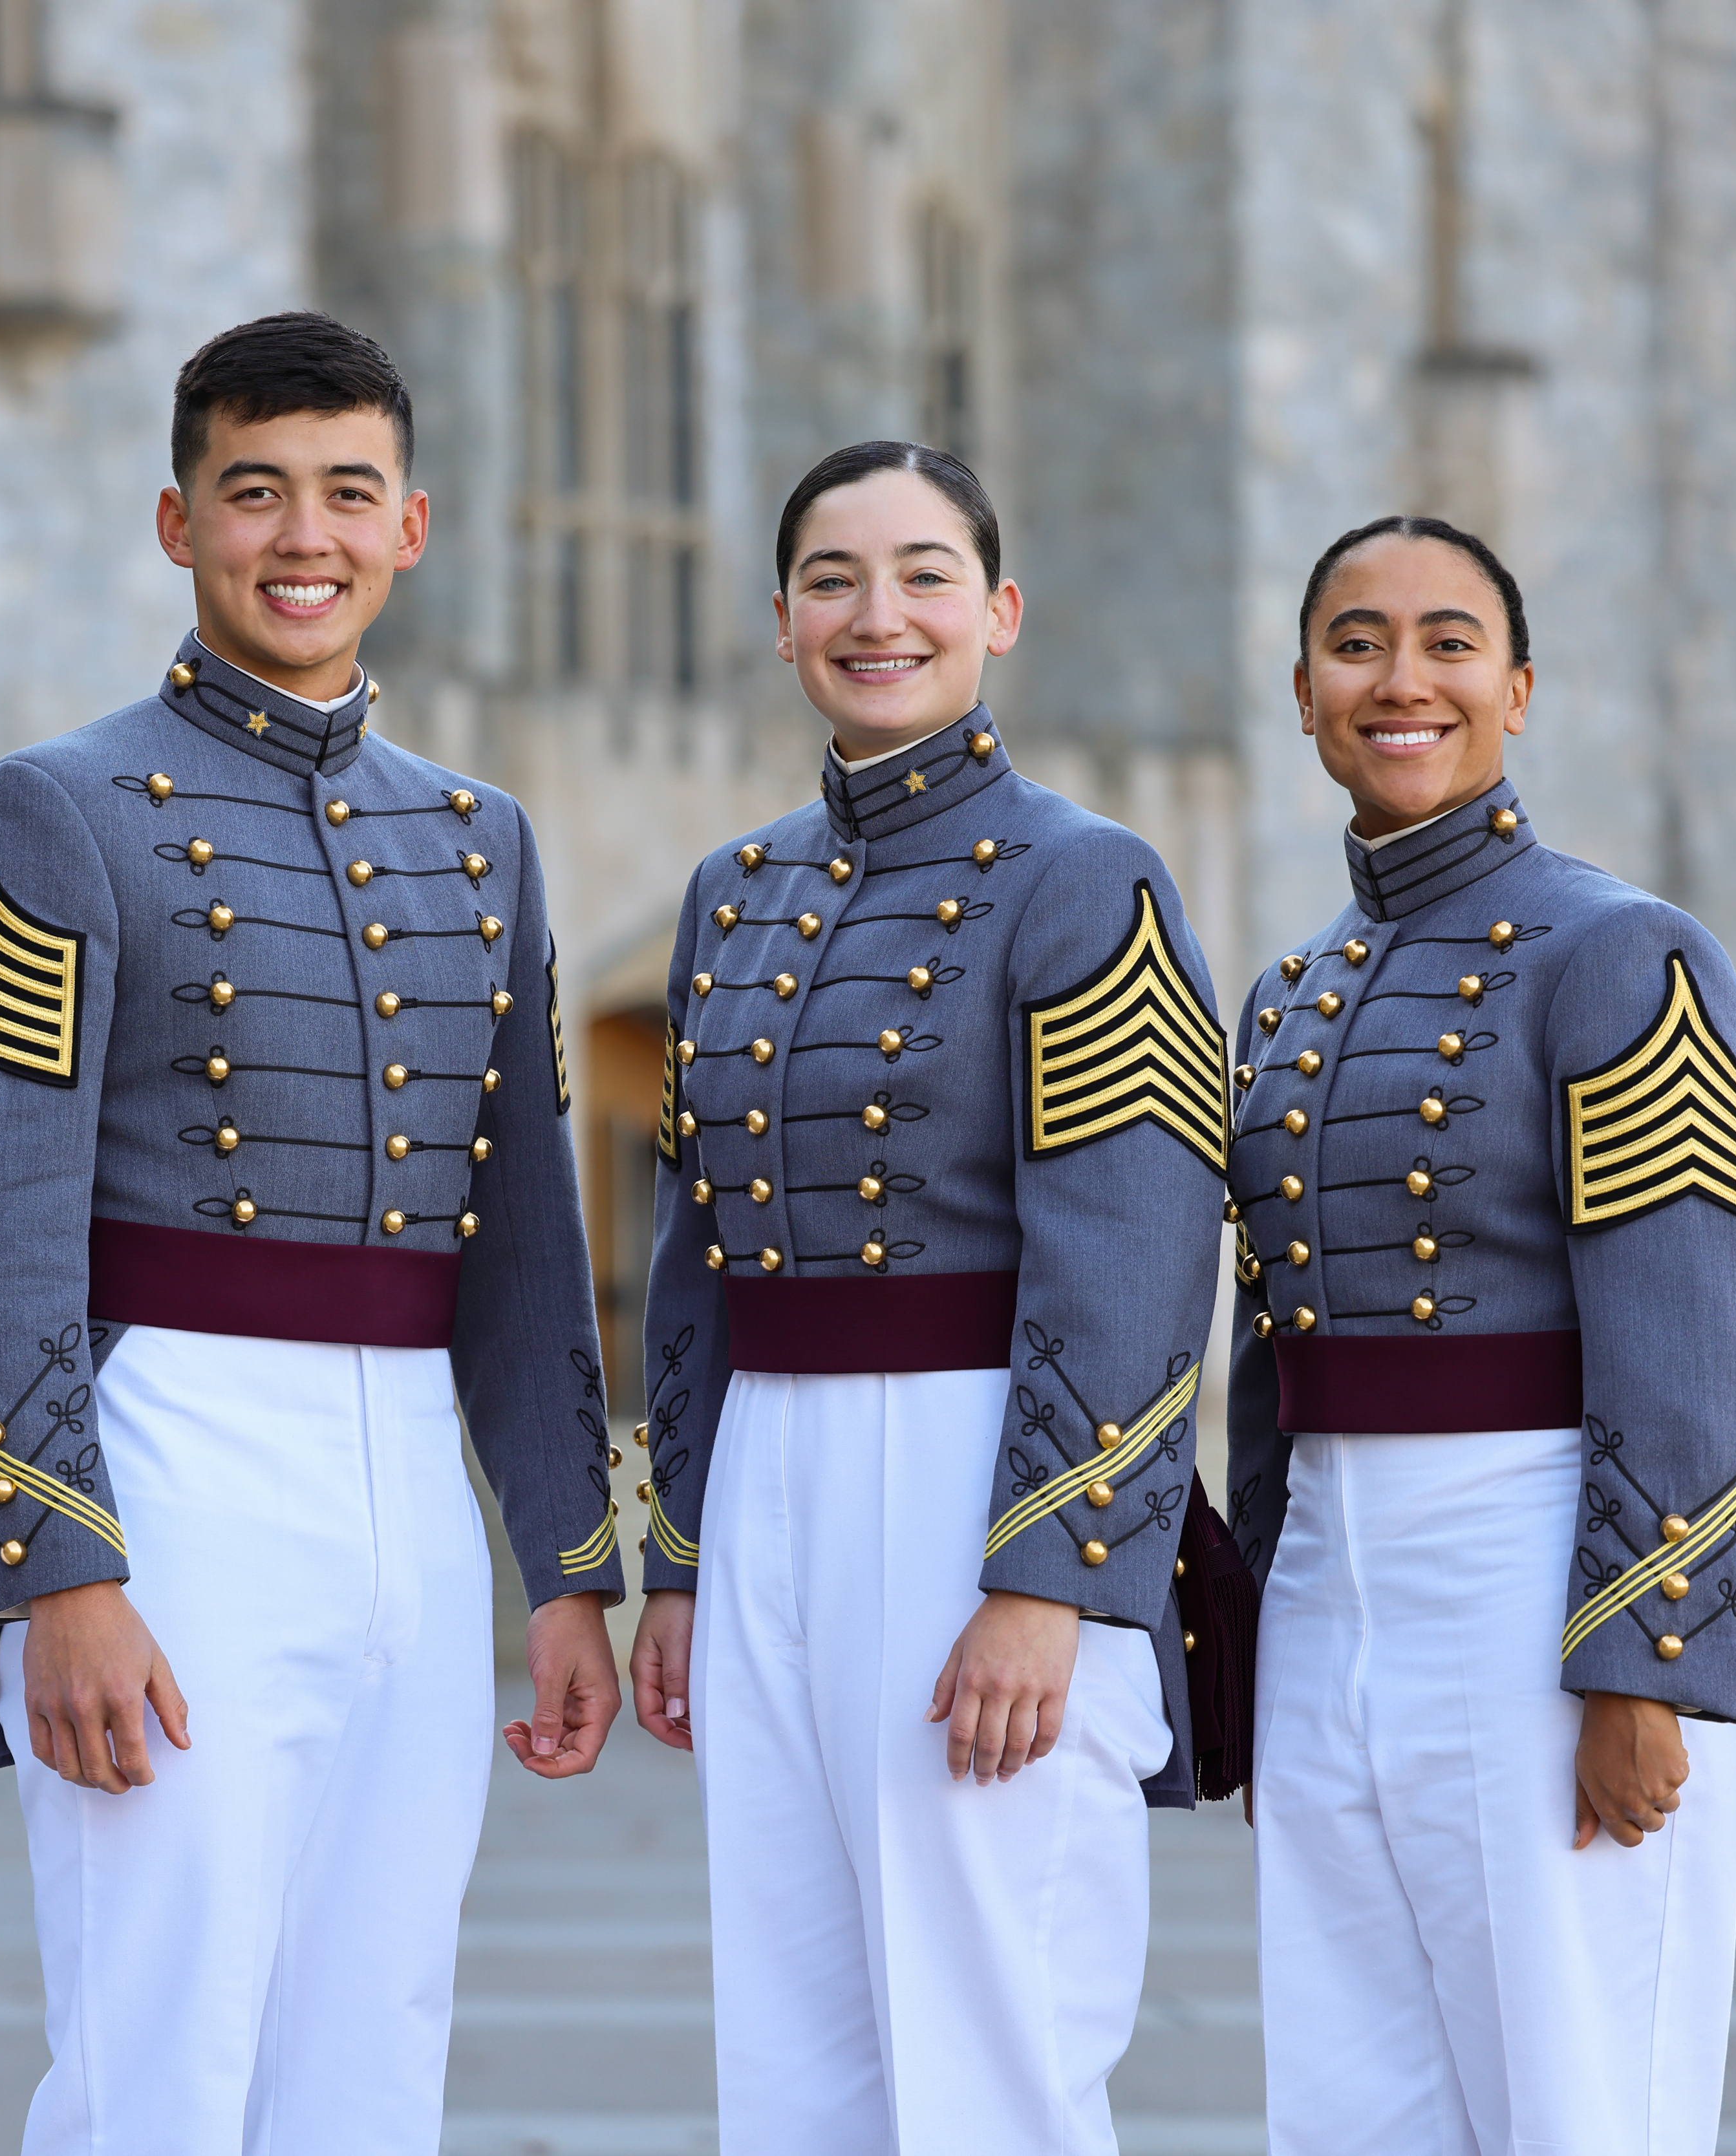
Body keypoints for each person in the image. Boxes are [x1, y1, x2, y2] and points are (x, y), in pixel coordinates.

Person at [0, 312, 621, 2155]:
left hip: (413, 1504)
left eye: (348, 494)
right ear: (177, 521)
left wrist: (568, 1567)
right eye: (256, 492)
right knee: (159, 2052)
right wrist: (56, 1575)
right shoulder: (50, 812)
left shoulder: (481, 839)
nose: (305, 537)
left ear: (411, 526)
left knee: (378, 2052)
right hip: (173, 1475)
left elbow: (523, 1241)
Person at [625, 442, 1232, 2155]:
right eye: (832, 580)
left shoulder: (1087, 879)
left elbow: (1133, 1257)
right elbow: (693, 1262)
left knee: (992, 2042)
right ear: (781, 622)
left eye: (923, 575)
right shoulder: (731, 896)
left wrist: (1052, 1581)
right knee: (794, 2049)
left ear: (1000, 611)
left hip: (975, 1483)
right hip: (767, 1488)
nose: (875, 614)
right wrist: (680, 1559)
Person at [1227, 515, 1736, 2156]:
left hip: (1538, 1574)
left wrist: (1644, 1663)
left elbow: (1701, 1338)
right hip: (1331, 1591)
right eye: (1355, 644)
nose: (1399, 680)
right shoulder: (1290, 993)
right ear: (1302, 692)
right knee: (1351, 2106)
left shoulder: (1625, 953)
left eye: (1448, 642)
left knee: (1580, 2105)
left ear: (1520, 689)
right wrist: (1269, 1633)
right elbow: (1271, 1354)